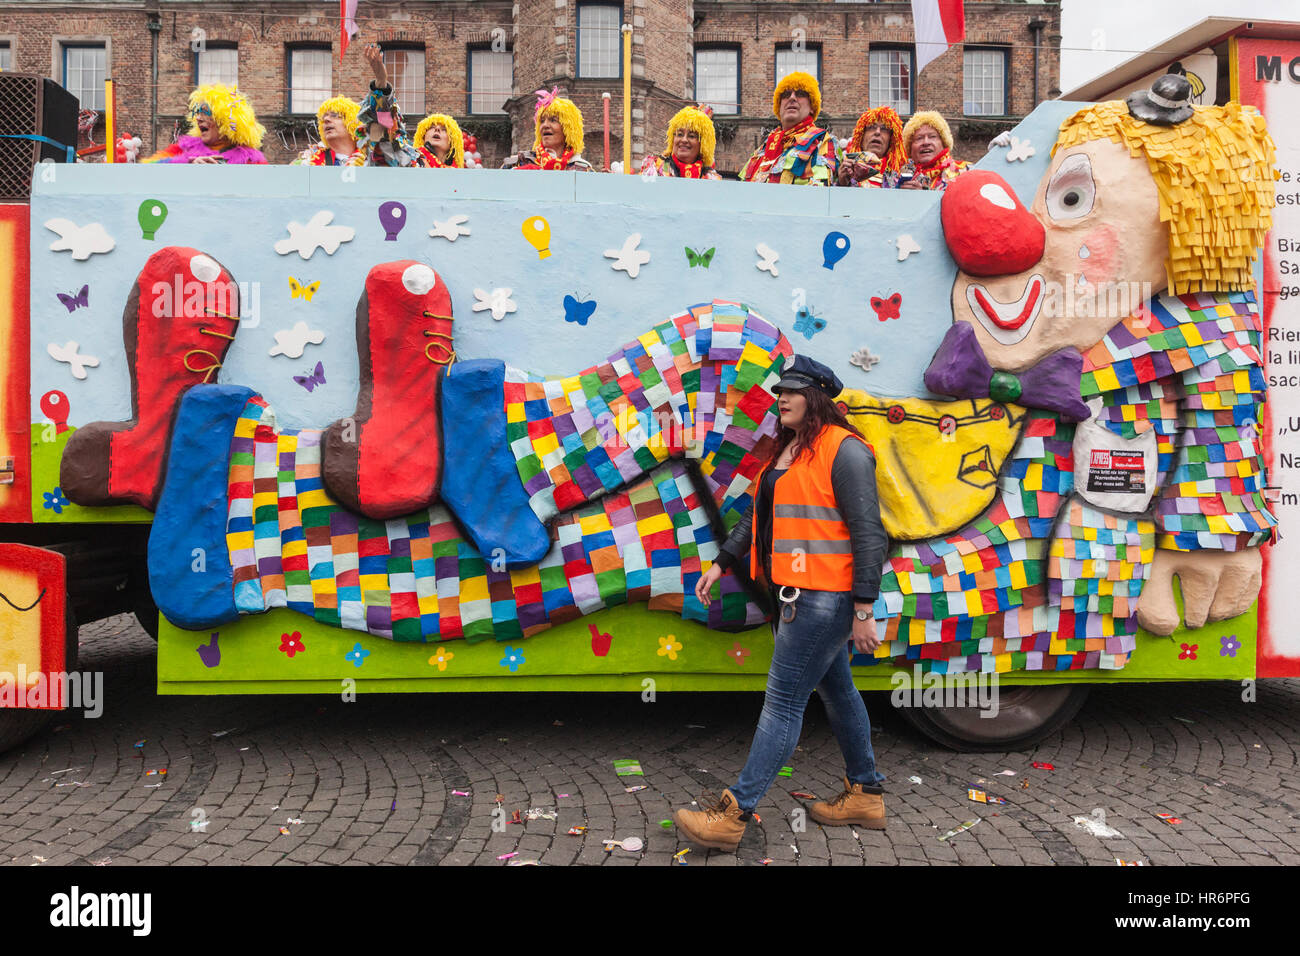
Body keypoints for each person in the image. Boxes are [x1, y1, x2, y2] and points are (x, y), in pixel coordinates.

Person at [673, 355, 891, 852]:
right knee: (838, 693)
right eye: (779, 392)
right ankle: (867, 793)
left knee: (783, 703)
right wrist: (721, 563)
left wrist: (863, 609)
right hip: (795, 596)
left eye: (792, 392)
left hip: (824, 599)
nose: (781, 399)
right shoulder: (789, 451)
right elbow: (756, 516)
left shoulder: (847, 451)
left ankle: (733, 815)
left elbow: (869, 535)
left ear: (816, 398)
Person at [739, 71, 840, 185]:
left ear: (812, 106)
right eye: (786, 95)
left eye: (800, 93)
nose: (792, 98)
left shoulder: (821, 141)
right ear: (779, 106)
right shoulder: (764, 147)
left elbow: (817, 193)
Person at [142, 84, 267, 164]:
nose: (198, 118)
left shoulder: (251, 159)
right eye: (197, 112)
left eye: (206, 113)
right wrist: (188, 163)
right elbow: (150, 167)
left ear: (225, 121)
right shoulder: (184, 148)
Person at [353, 44, 427, 167]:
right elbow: (381, 113)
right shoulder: (354, 163)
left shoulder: (413, 159)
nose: (437, 130)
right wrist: (381, 83)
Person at [502, 88, 594, 171]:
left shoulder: (583, 170)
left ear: (568, 128)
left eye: (553, 120)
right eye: (542, 121)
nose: (545, 125)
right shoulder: (519, 162)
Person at [889, 111, 970, 190]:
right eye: (919, 138)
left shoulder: (964, 172)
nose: (926, 142)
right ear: (910, 148)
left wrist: (923, 196)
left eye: (932, 136)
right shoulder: (897, 178)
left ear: (943, 143)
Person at [638, 104, 723, 180]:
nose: (684, 140)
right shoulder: (657, 167)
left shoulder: (711, 178)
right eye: (679, 134)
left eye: (691, 136)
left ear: (703, 143)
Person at [837, 105, 906, 188]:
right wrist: (842, 184)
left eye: (884, 129)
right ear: (861, 137)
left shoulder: (902, 174)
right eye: (871, 127)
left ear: (891, 140)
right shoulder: (845, 168)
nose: (877, 132)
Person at [291, 96, 363, 166]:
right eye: (323, 117)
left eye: (334, 115)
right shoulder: (308, 163)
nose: (326, 119)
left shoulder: (369, 160)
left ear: (353, 122)